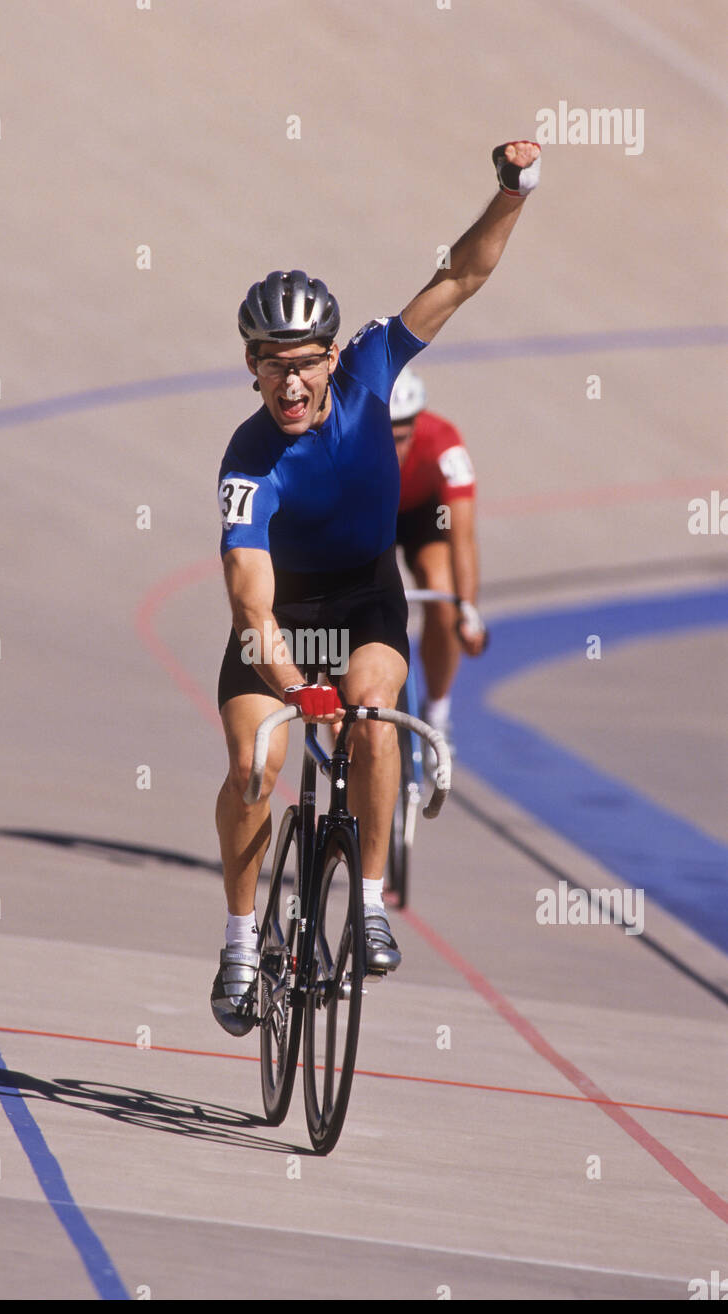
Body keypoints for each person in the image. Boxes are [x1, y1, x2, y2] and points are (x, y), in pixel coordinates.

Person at [212, 142, 540, 1035]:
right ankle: (242, 942)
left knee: (374, 718)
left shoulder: (370, 371)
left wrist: (512, 192)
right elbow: (250, 603)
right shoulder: (248, 460)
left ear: (331, 357)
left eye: (307, 360)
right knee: (256, 766)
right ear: (251, 367)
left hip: (362, 599)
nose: (293, 379)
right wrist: (291, 688)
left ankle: (366, 898)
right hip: (280, 620)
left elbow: (461, 277)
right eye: (273, 362)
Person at [391, 367, 488, 750]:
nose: (392, 450)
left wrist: (468, 610)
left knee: (441, 591)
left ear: (417, 426)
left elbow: (461, 538)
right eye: (383, 437)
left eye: (401, 438)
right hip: (370, 515)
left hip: (423, 518)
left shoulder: (444, 443)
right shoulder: (348, 437)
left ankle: (438, 714)